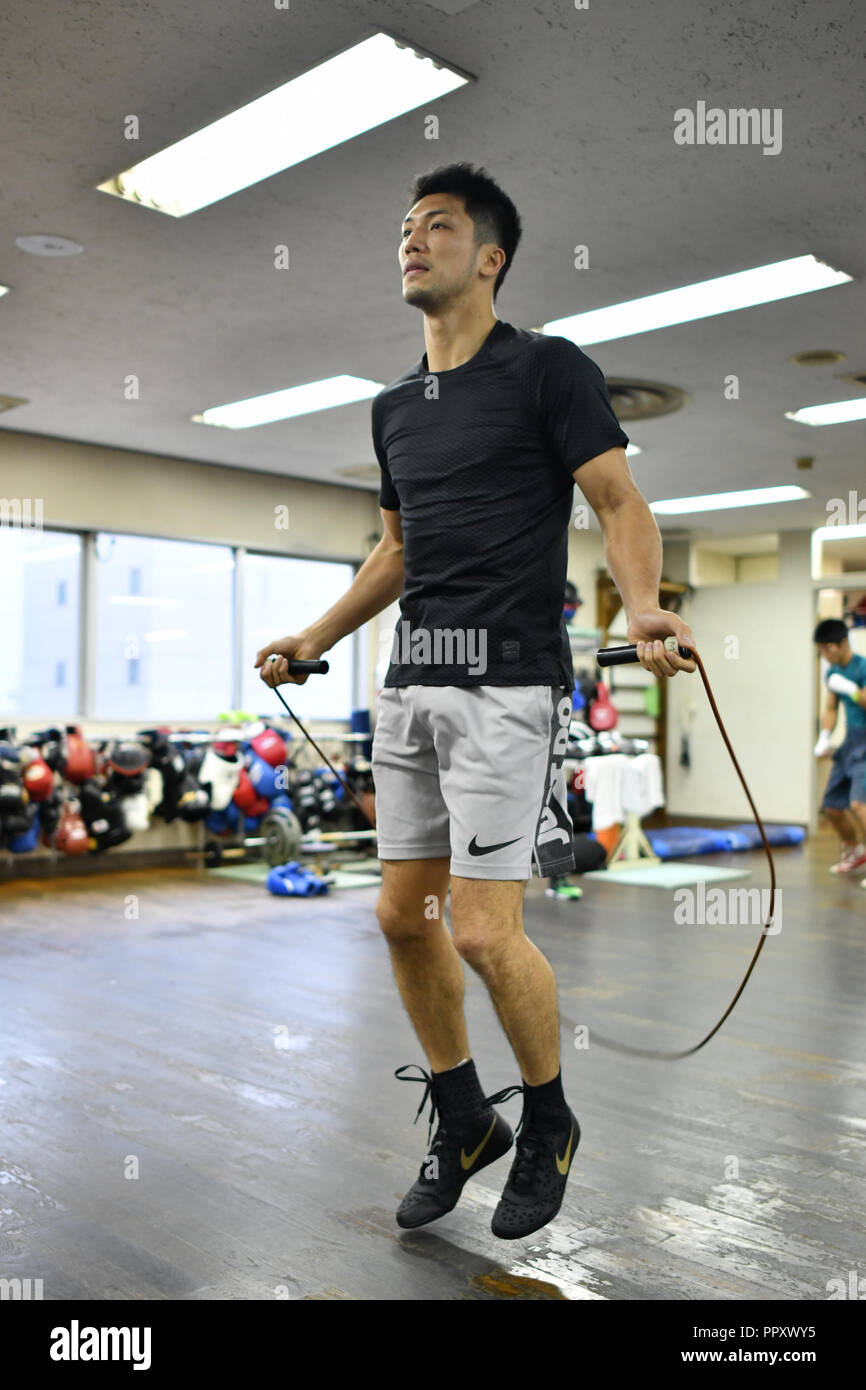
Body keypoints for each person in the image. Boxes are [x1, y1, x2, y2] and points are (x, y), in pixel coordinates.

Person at [256, 163, 695, 1240]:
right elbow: (395, 551)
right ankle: (463, 1119)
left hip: (506, 683)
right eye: (403, 227)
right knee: (401, 915)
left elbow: (615, 498)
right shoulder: (392, 405)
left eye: (437, 226)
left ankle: (546, 1119)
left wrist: (639, 604)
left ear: (487, 256)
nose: (412, 241)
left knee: (483, 933)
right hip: (408, 683)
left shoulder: (546, 369)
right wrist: (314, 636)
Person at [813, 617, 866, 877]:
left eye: (827, 649)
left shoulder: (862, 667)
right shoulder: (832, 672)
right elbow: (831, 707)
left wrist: (853, 690)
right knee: (832, 806)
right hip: (850, 744)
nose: (824, 655)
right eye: (820, 650)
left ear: (843, 643)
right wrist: (824, 736)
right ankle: (854, 850)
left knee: (859, 805)